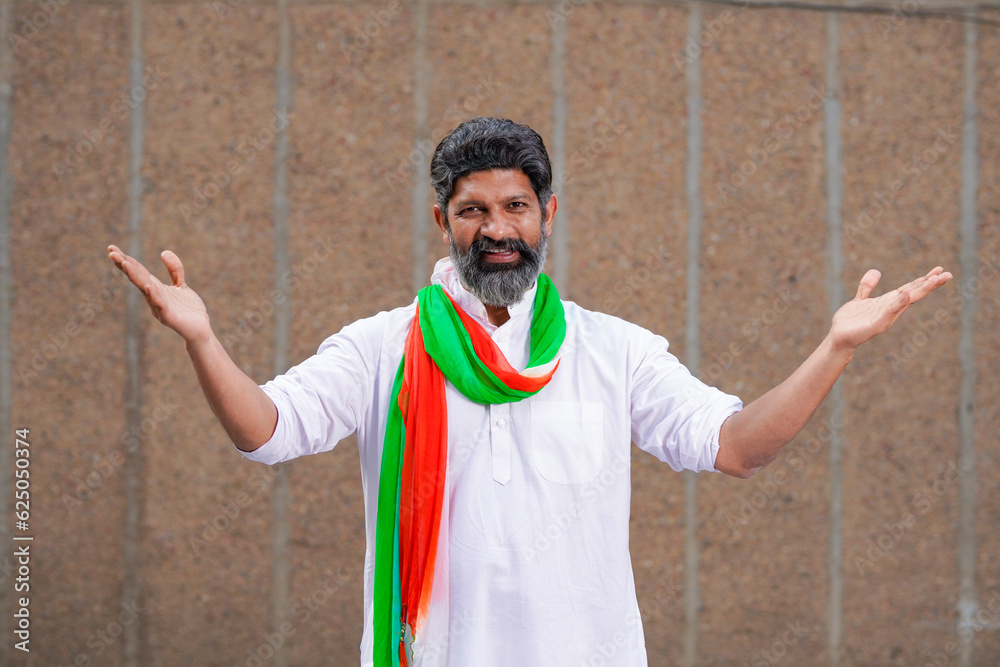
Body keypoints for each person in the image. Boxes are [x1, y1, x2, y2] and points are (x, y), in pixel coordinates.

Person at [107, 117, 952, 667]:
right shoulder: (382, 346)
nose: (498, 228)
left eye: (516, 205)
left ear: (548, 213)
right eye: (473, 210)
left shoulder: (612, 349)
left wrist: (834, 347)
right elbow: (270, 428)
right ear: (444, 223)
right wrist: (205, 341)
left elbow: (734, 445)